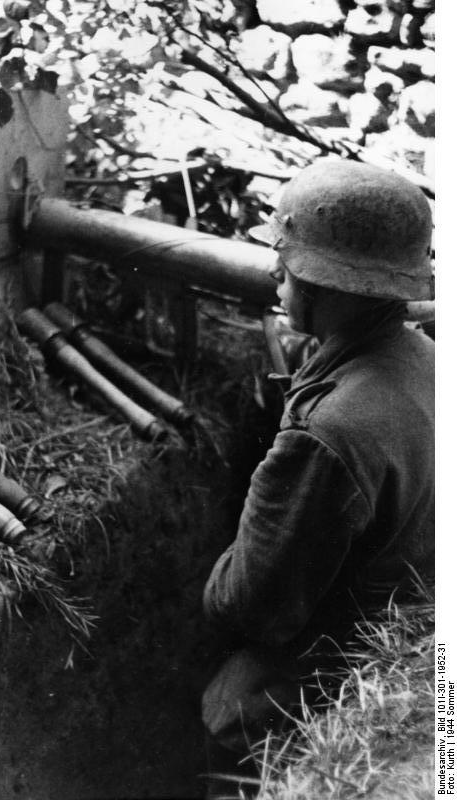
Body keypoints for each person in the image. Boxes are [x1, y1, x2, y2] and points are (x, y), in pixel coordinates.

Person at [201, 159, 435, 794]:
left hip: (350, 651)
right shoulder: (426, 357)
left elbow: (254, 606)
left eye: (291, 263)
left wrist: (216, 575)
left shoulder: (329, 432)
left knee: (230, 711)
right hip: (412, 612)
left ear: (330, 285)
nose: (277, 271)